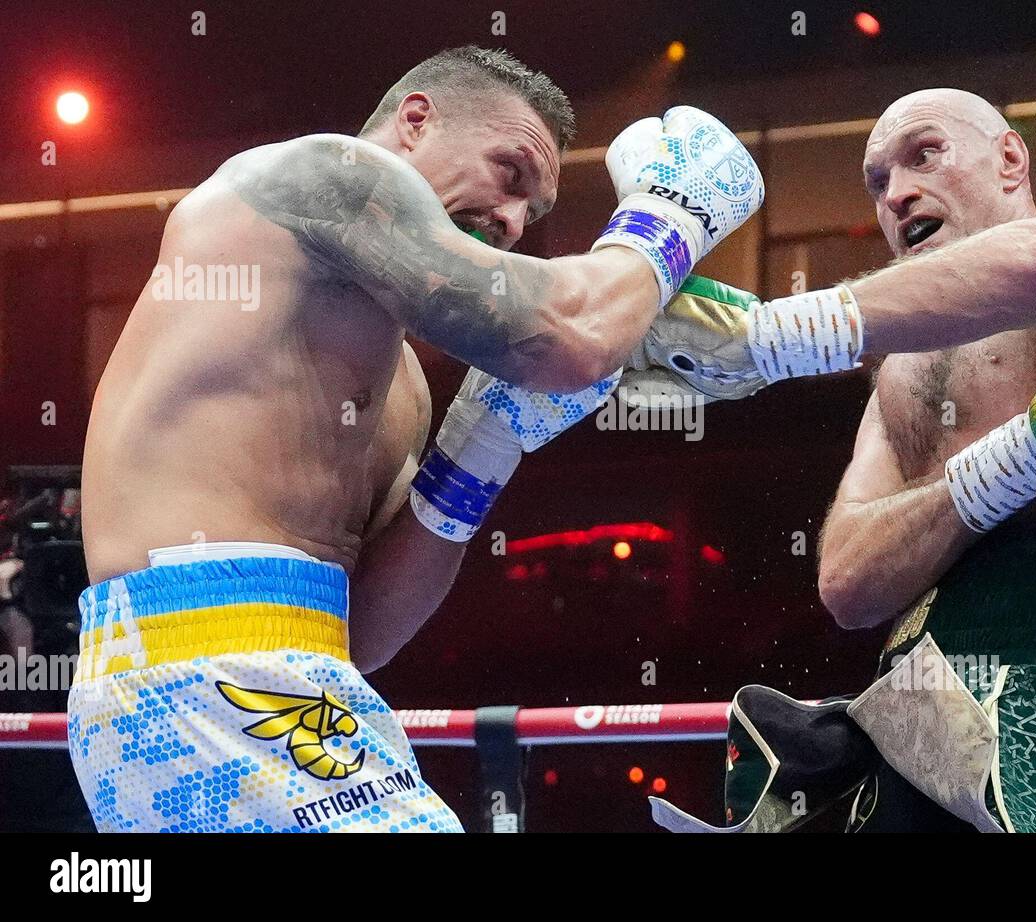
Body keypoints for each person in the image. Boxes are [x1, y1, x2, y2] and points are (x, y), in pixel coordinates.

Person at [70, 45, 763, 832]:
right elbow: (576, 334)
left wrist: (486, 442)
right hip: (196, 658)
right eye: (509, 174)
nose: (510, 221)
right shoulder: (319, 173)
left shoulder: (399, 382)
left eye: (531, 213)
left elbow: (364, 632)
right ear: (416, 119)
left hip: (293, 677)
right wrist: (671, 218)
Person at [639, 88, 1036, 832]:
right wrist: (1022, 456)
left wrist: (777, 334)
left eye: (924, 155)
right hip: (921, 726)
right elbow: (848, 581)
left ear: (1010, 158)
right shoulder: (906, 371)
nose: (899, 192)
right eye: (878, 182)